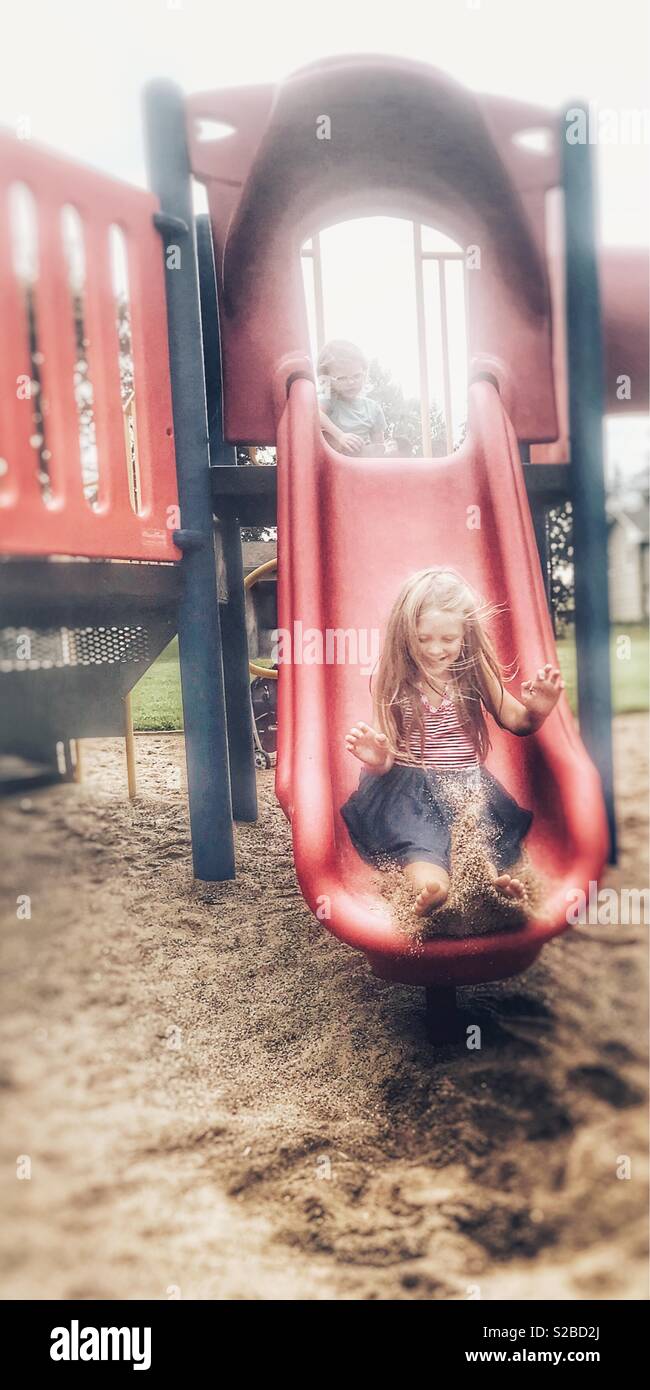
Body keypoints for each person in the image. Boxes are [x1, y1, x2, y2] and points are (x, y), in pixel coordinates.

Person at [340, 567, 564, 917]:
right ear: (405, 634)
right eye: (423, 638)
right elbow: (383, 756)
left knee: (478, 842)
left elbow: (517, 722)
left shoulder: (474, 672)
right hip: (409, 791)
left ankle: (491, 886)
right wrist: (376, 756)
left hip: (467, 787)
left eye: (447, 639)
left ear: (466, 634)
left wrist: (538, 710)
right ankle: (433, 891)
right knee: (420, 847)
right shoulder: (394, 678)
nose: (435, 649)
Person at [317, 340, 387, 456]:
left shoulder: (373, 408)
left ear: (364, 373)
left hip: (361, 464)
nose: (351, 382)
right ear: (328, 380)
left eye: (356, 375)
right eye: (342, 378)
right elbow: (317, 414)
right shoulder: (329, 401)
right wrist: (340, 436)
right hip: (335, 461)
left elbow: (379, 446)